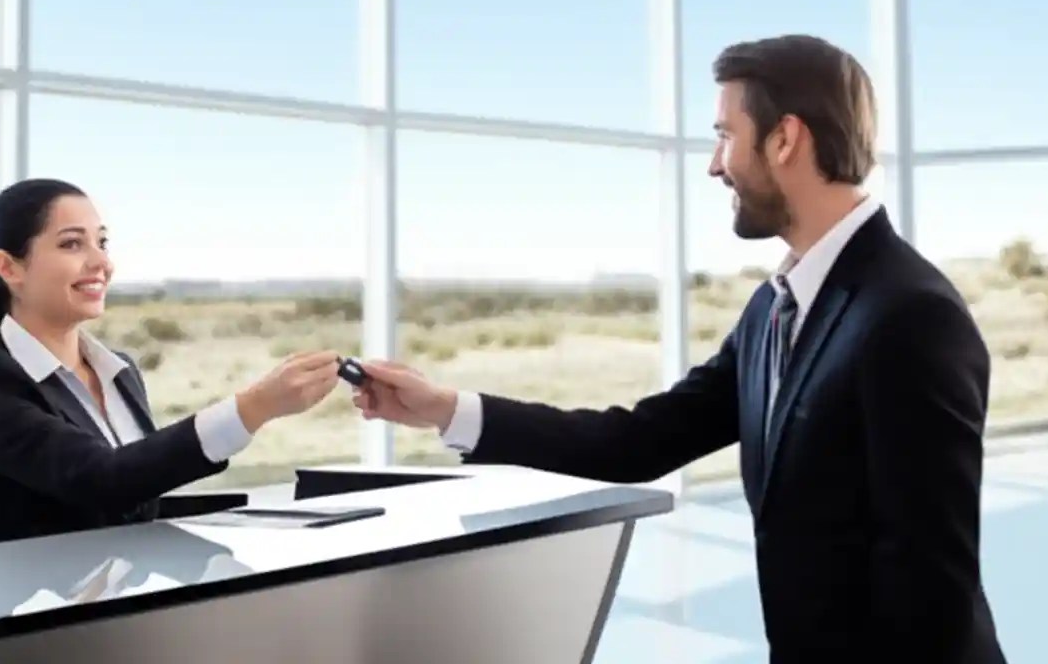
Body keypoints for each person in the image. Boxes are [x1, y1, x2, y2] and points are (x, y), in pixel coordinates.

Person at [351, 35, 1006, 663]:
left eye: (724, 135)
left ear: (786, 138)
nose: (715, 163)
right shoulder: (772, 311)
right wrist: (444, 409)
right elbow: (639, 441)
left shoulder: (910, 314)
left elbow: (930, 587)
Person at [0, 178, 340, 545]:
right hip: (40, 614)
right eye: (72, 244)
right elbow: (104, 480)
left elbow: (139, 489)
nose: (100, 262)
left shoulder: (119, 371)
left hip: (127, 604)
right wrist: (255, 406)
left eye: (102, 243)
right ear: (9, 267)